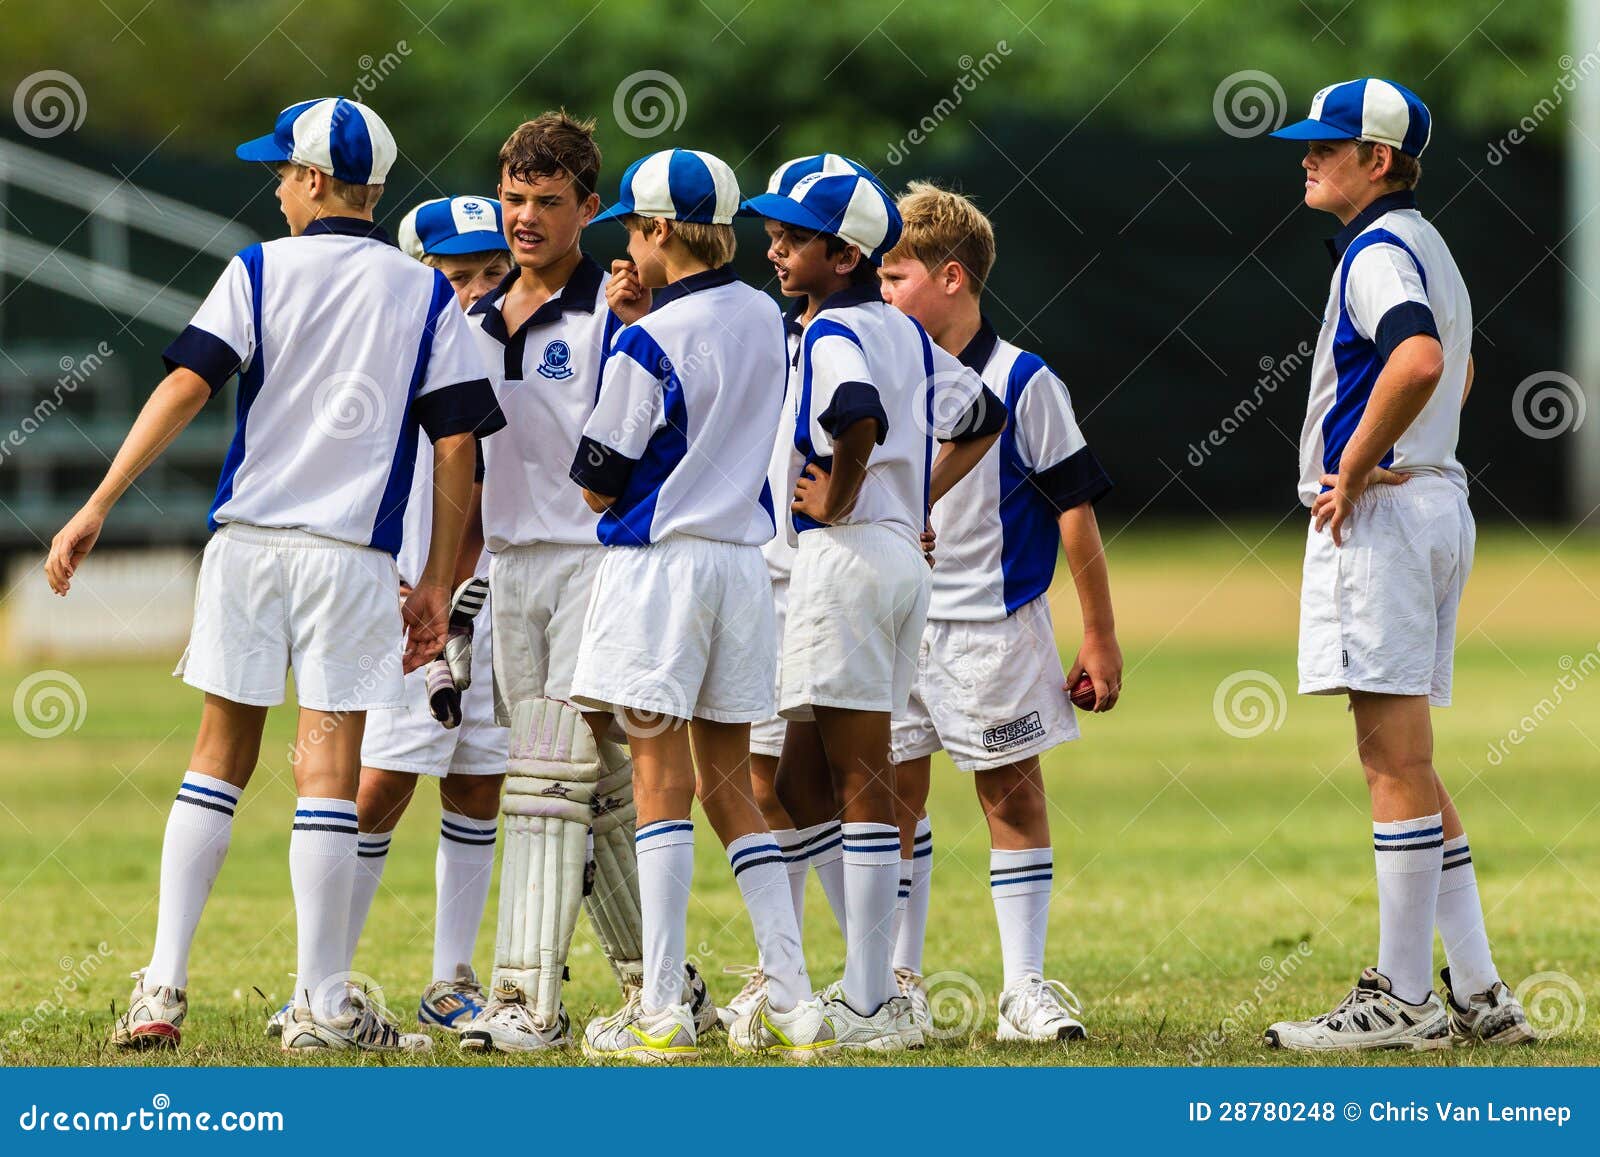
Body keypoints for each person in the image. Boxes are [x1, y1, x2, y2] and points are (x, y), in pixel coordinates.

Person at [46, 97, 505, 1053]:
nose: (276, 186)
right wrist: (434, 575)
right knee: (329, 769)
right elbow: (456, 443)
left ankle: (162, 987)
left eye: (282, 172)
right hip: (351, 559)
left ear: (311, 181)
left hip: (249, 546)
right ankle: (322, 1004)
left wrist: (97, 502)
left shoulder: (257, 268)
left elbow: (186, 383)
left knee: (217, 756)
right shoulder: (422, 292)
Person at [1260, 78, 1532, 1050]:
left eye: (1326, 145)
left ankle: (1405, 998)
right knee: (1410, 759)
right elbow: (1456, 368)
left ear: (1377, 160)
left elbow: (1417, 361)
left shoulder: (1376, 248)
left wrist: (1355, 462)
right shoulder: (1426, 242)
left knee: (1391, 760)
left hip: (1390, 507)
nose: (1306, 156)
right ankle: (1480, 992)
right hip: (1434, 499)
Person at [569, 148, 832, 1061]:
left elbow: (598, 479)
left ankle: (662, 1006)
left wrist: (621, 334)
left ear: (653, 234)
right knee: (733, 788)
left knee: (657, 783)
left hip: (660, 570)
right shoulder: (766, 314)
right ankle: (795, 999)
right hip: (740, 566)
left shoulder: (646, 339)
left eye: (632, 235)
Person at [460, 112, 713, 1053]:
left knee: (541, 771)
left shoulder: (615, 309)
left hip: (592, 562)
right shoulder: (473, 320)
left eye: (547, 202)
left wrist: (635, 318)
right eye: (514, 199)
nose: (525, 219)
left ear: (589, 209)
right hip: (508, 565)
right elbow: (463, 468)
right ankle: (665, 981)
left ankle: (526, 998)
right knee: (589, 784)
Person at [744, 166, 1004, 1049]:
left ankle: (869, 997)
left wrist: (844, 492)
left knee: (857, 772)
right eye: (773, 231)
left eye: (794, 237)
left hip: (844, 560)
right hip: (894, 560)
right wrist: (912, 502)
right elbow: (981, 411)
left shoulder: (832, 332)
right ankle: (871, 978)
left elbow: (854, 412)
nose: (776, 247)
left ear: (845, 253)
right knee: (797, 779)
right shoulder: (901, 327)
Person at [265, 196, 513, 1040]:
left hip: (497, 590)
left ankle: (451, 977)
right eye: (456, 273)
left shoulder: (515, 338)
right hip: (420, 593)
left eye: (491, 271)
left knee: (479, 776)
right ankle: (319, 984)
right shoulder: (407, 341)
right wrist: (431, 587)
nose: (477, 289)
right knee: (382, 782)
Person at [879, 181, 1119, 1043]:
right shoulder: (876, 371)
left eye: (896, 274)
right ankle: (892, 984)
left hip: (993, 623)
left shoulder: (1023, 378)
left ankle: (1024, 988)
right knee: (890, 798)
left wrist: (1099, 633)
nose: (883, 289)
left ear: (950, 277)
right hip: (894, 619)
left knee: (1010, 796)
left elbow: (1074, 508)